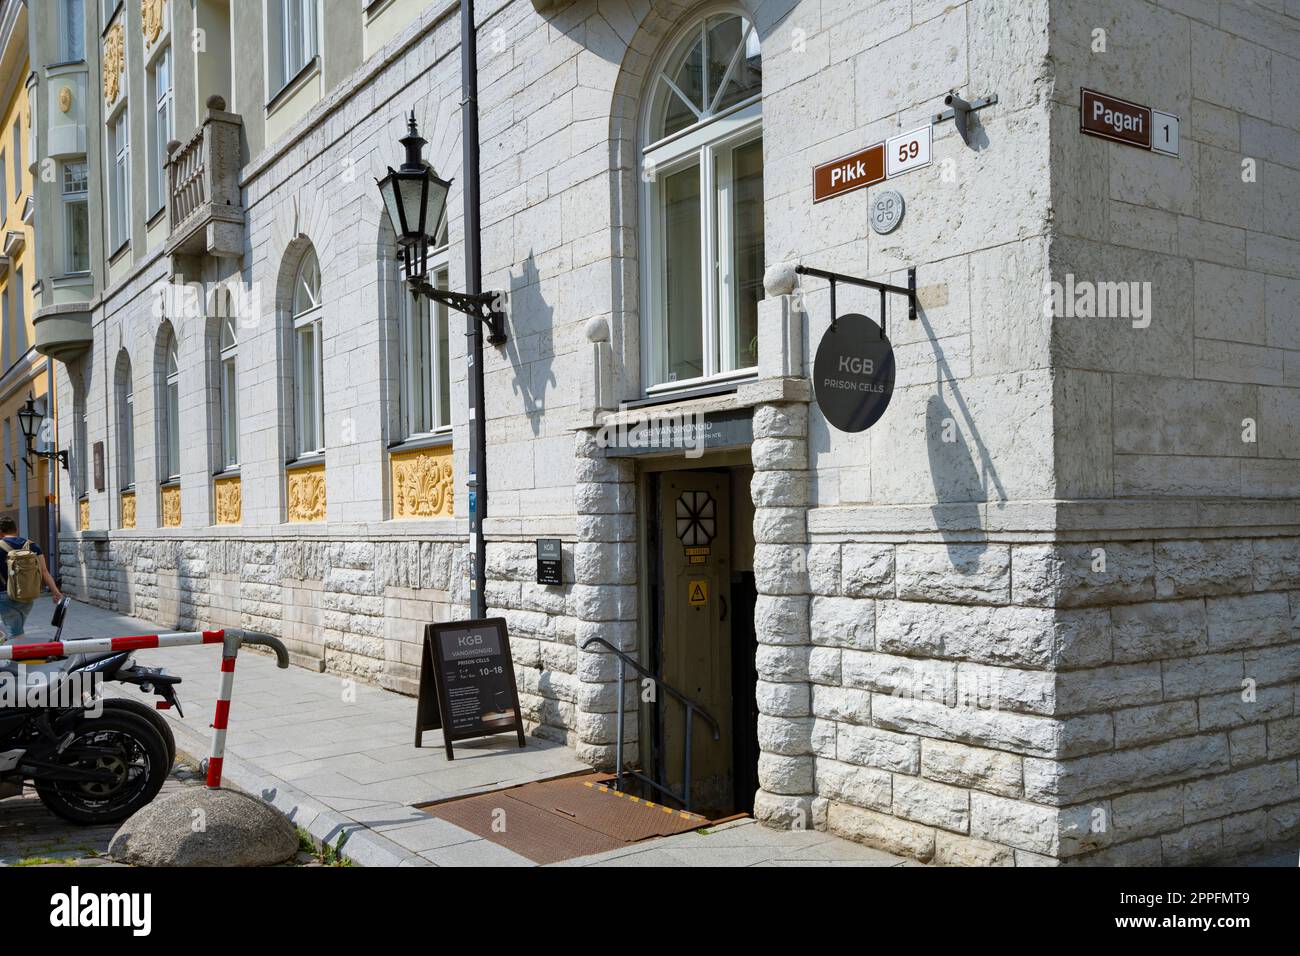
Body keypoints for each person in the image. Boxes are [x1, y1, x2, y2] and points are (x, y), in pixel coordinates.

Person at [0, 516, 63, 643]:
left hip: (6, 595)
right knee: (16, 629)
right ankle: (16, 658)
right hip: (28, 595)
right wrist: (56, 592)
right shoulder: (32, 546)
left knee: (16, 635)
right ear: (16, 529)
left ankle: (21, 662)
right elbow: (44, 571)